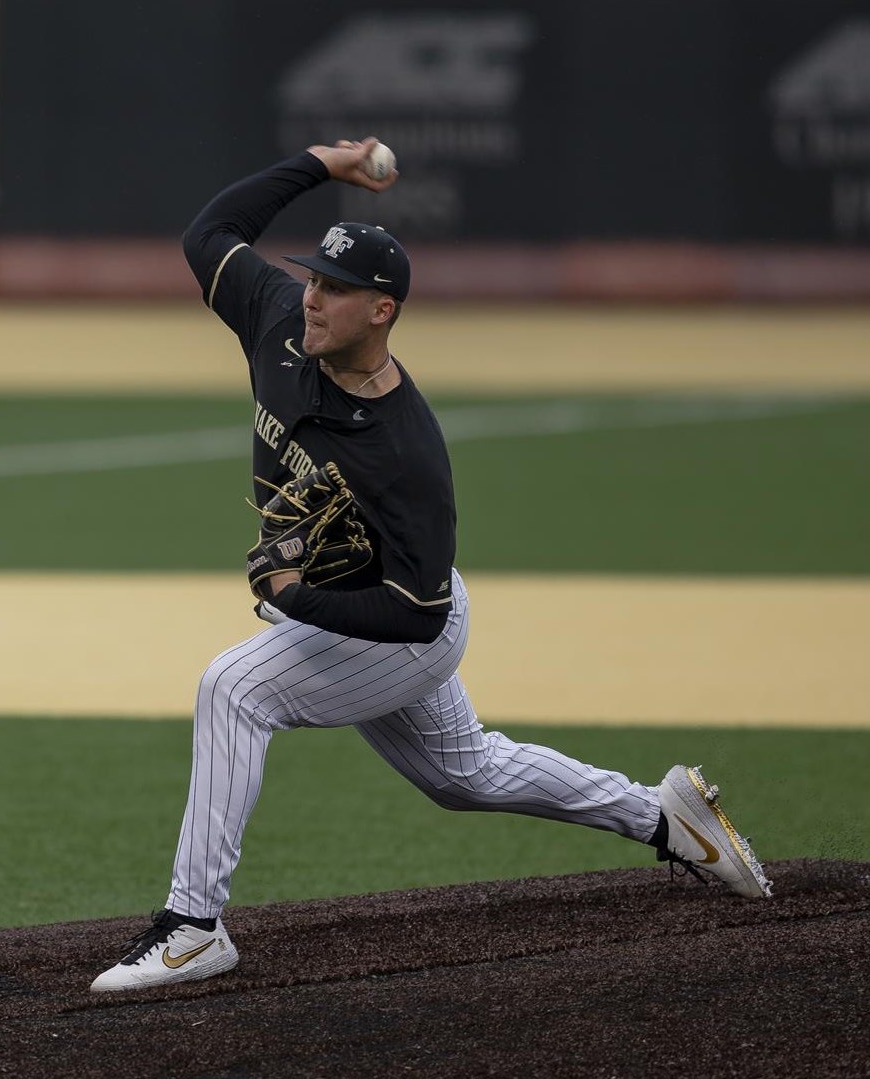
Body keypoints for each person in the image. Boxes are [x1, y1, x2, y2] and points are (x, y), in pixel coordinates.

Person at [89, 139, 771, 994]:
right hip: (356, 613)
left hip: (405, 624)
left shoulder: (407, 455)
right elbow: (209, 233)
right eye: (311, 279)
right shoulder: (278, 323)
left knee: (234, 687)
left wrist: (295, 597)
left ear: (382, 311)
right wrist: (317, 164)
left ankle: (193, 926)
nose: (312, 298)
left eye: (335, 290)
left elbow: (415, 611)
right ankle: (665, 816)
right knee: (466, 773)